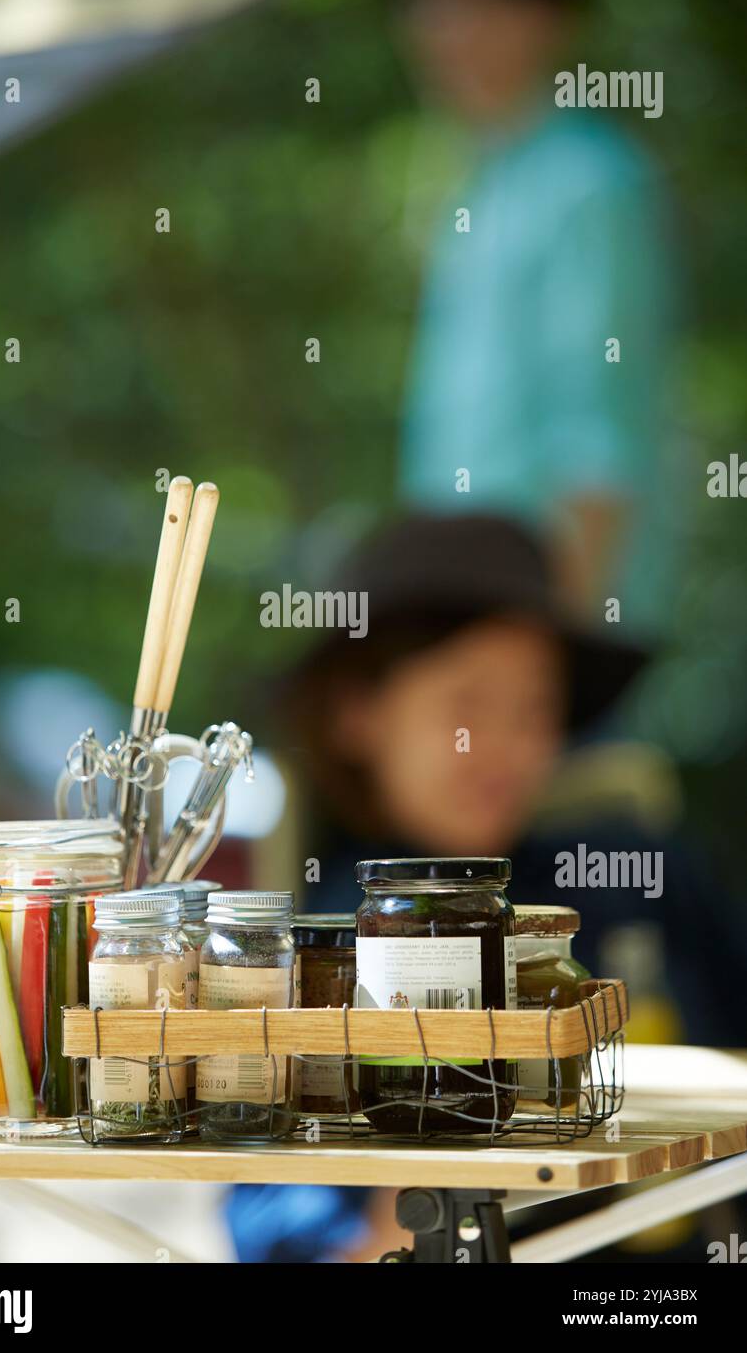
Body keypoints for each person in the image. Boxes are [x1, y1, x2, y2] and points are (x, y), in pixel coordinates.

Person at [225, 513, 747, 1263]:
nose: (503, 747)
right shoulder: (321, 939)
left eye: (533, 710)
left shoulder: (636, 873)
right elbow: (268, 1206)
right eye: (467, 704)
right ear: (357, 713)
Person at [395, 0, 678, 639]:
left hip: (541, 638)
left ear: (549, 17)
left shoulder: (590, 182)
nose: (446, 32)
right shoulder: (480, 185)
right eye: (429, 3)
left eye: (477, 3)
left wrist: (555, 662)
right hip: (467, 629)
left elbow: (598, 446)